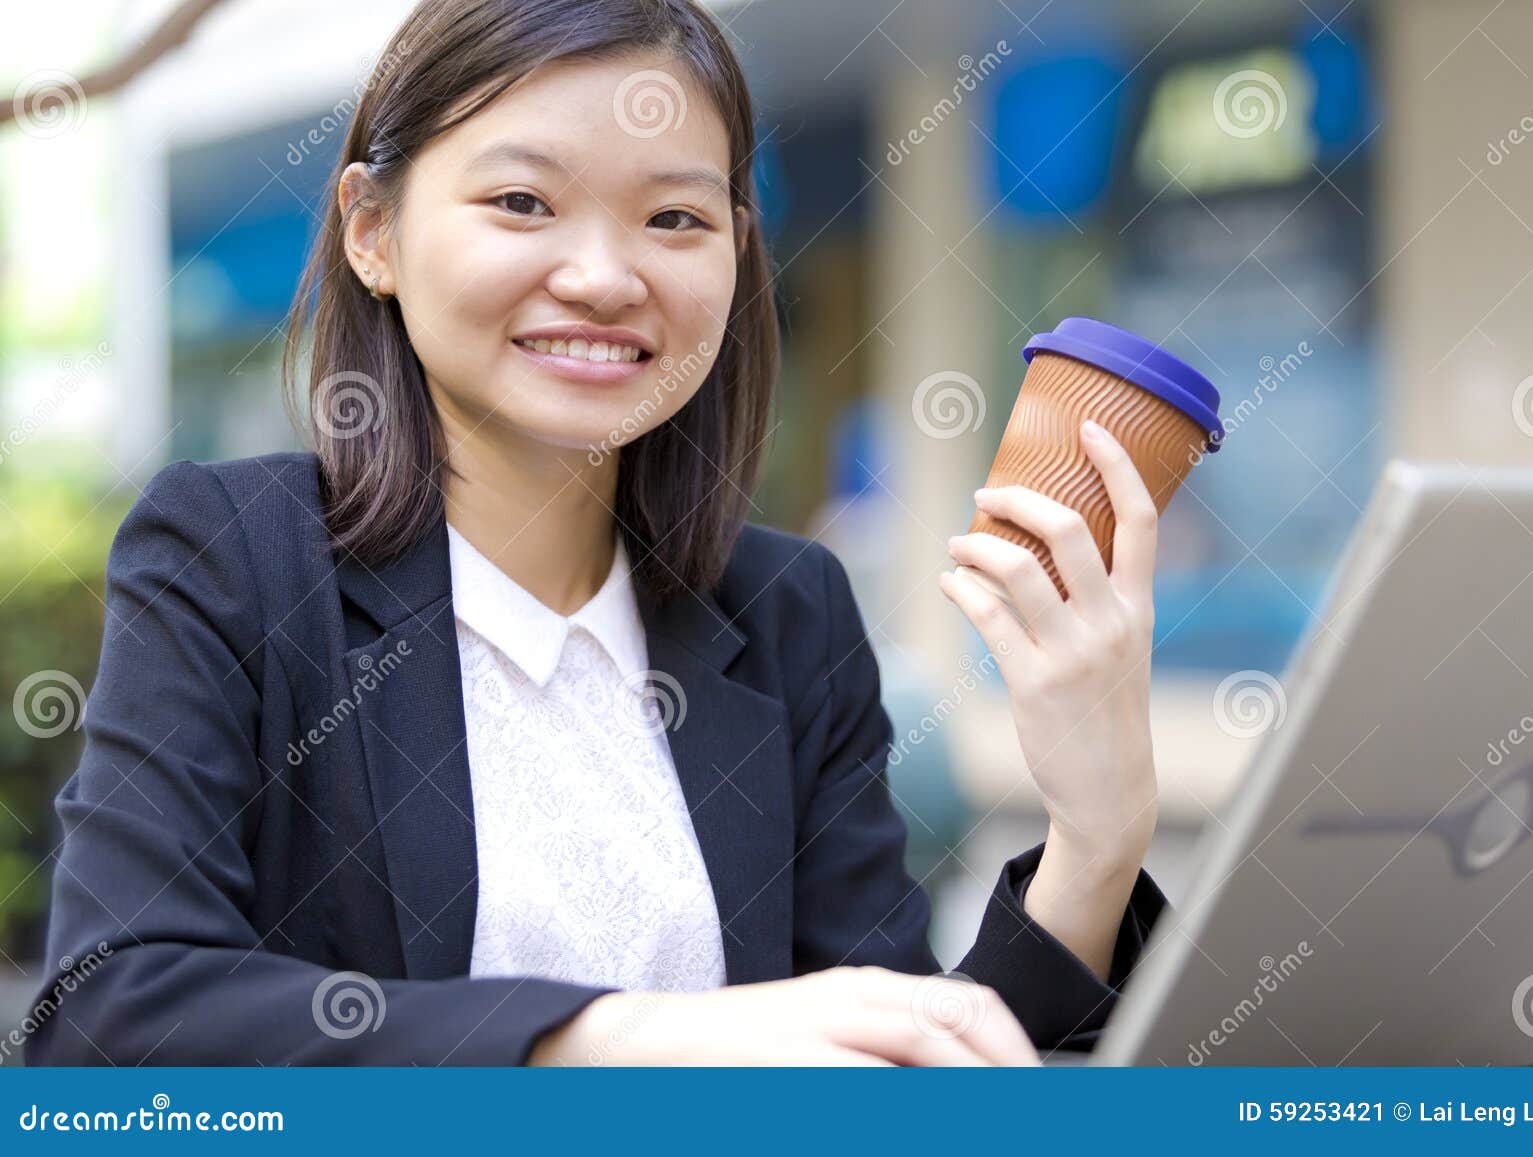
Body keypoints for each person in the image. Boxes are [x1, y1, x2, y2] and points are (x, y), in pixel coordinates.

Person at [28, 0, 1167, 1067]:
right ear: (373, 230)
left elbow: (909, 1065)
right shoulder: (236, 556)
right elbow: (111, 1011)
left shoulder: (783, 611)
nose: (603, 276)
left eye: (674, 217)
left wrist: (1096, 833)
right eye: (523, 202)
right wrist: (616, 1037)